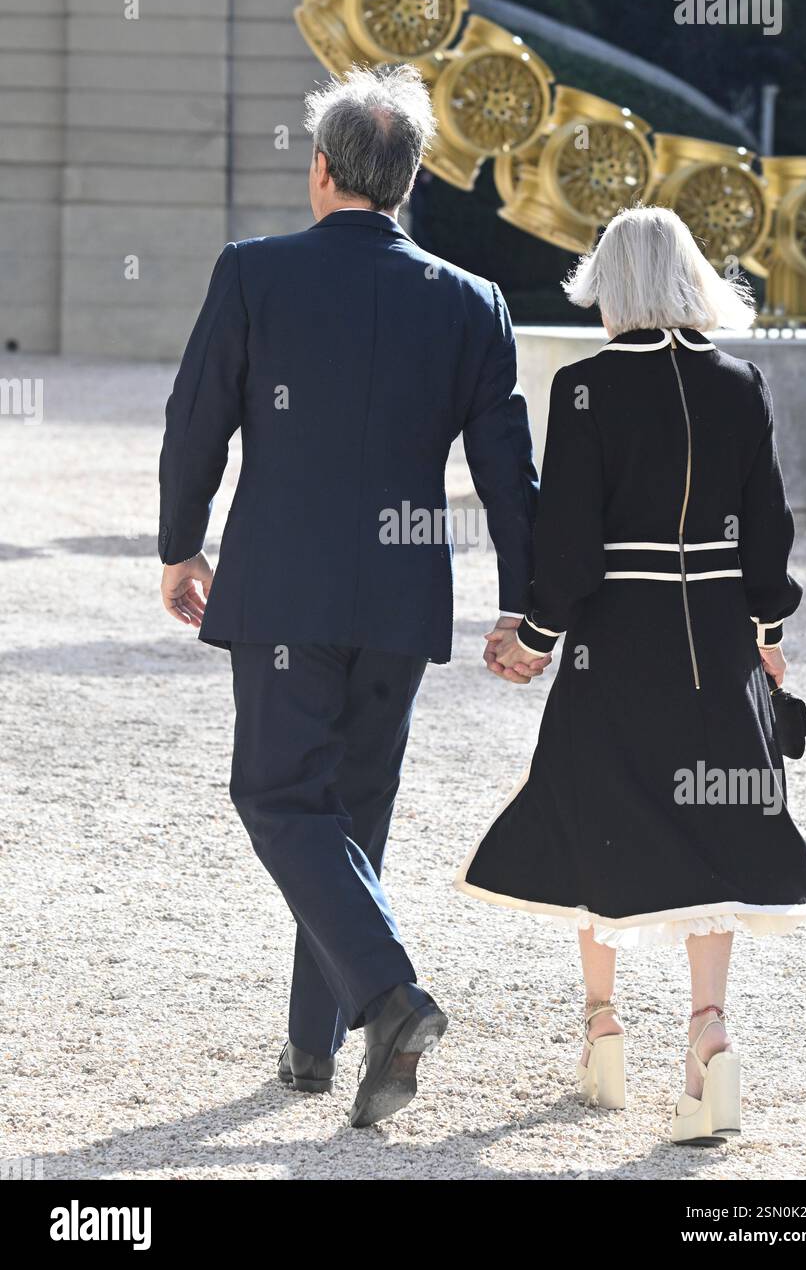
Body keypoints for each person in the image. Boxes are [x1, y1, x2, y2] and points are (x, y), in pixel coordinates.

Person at [157, 64, 546, 1128]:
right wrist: (524, 601)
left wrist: (179, 547)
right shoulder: (474, 303)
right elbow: (510, 474)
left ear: (320, 169)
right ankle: (312, 1044)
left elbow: (196, 420)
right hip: (398, 595)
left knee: (279, 799)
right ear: (410, 179)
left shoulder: (252, 273)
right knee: (348, 817)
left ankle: (388, 998)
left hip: (284, 585)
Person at [456, 205, 806, 1145]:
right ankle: (710, 1044)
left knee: (598, 818)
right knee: (713, 839)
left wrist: (537, 635)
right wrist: (768, 629)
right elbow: (768, 532)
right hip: (714, 644)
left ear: (610, 284)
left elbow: (571, 542)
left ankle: (603, 1034)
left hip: (614, 645)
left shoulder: (585, 386)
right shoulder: (741, 383)